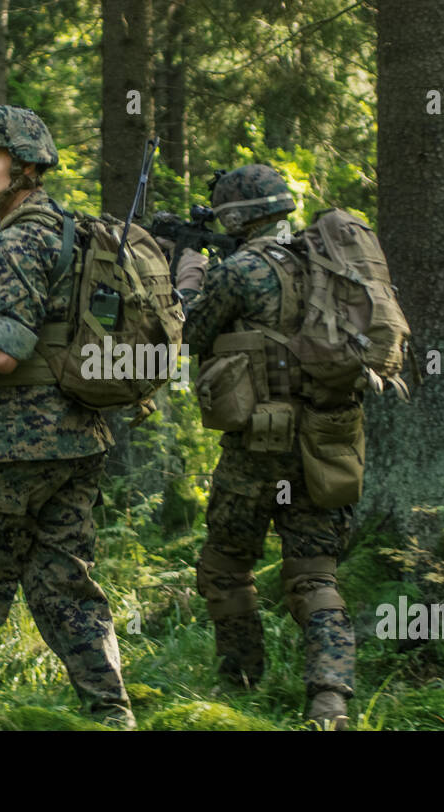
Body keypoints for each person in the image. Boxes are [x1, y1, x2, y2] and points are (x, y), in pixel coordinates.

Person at [0, 104, 135, 728]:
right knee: (65, 584)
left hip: (13, 445)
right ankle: (111, 715)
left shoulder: (16, 239)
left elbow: (2, 348)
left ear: (26, 167)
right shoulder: (70, 230)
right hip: (78, 438)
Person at [177, 164, 358, 728]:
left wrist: (188, 273)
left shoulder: (239, 271)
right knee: (314, 576)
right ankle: (330, 697)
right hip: (331, 440)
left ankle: (240, 680)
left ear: (235, 216)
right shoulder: (333, 262)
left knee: (225, 565)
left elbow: (189, 332)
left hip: (259, 448)